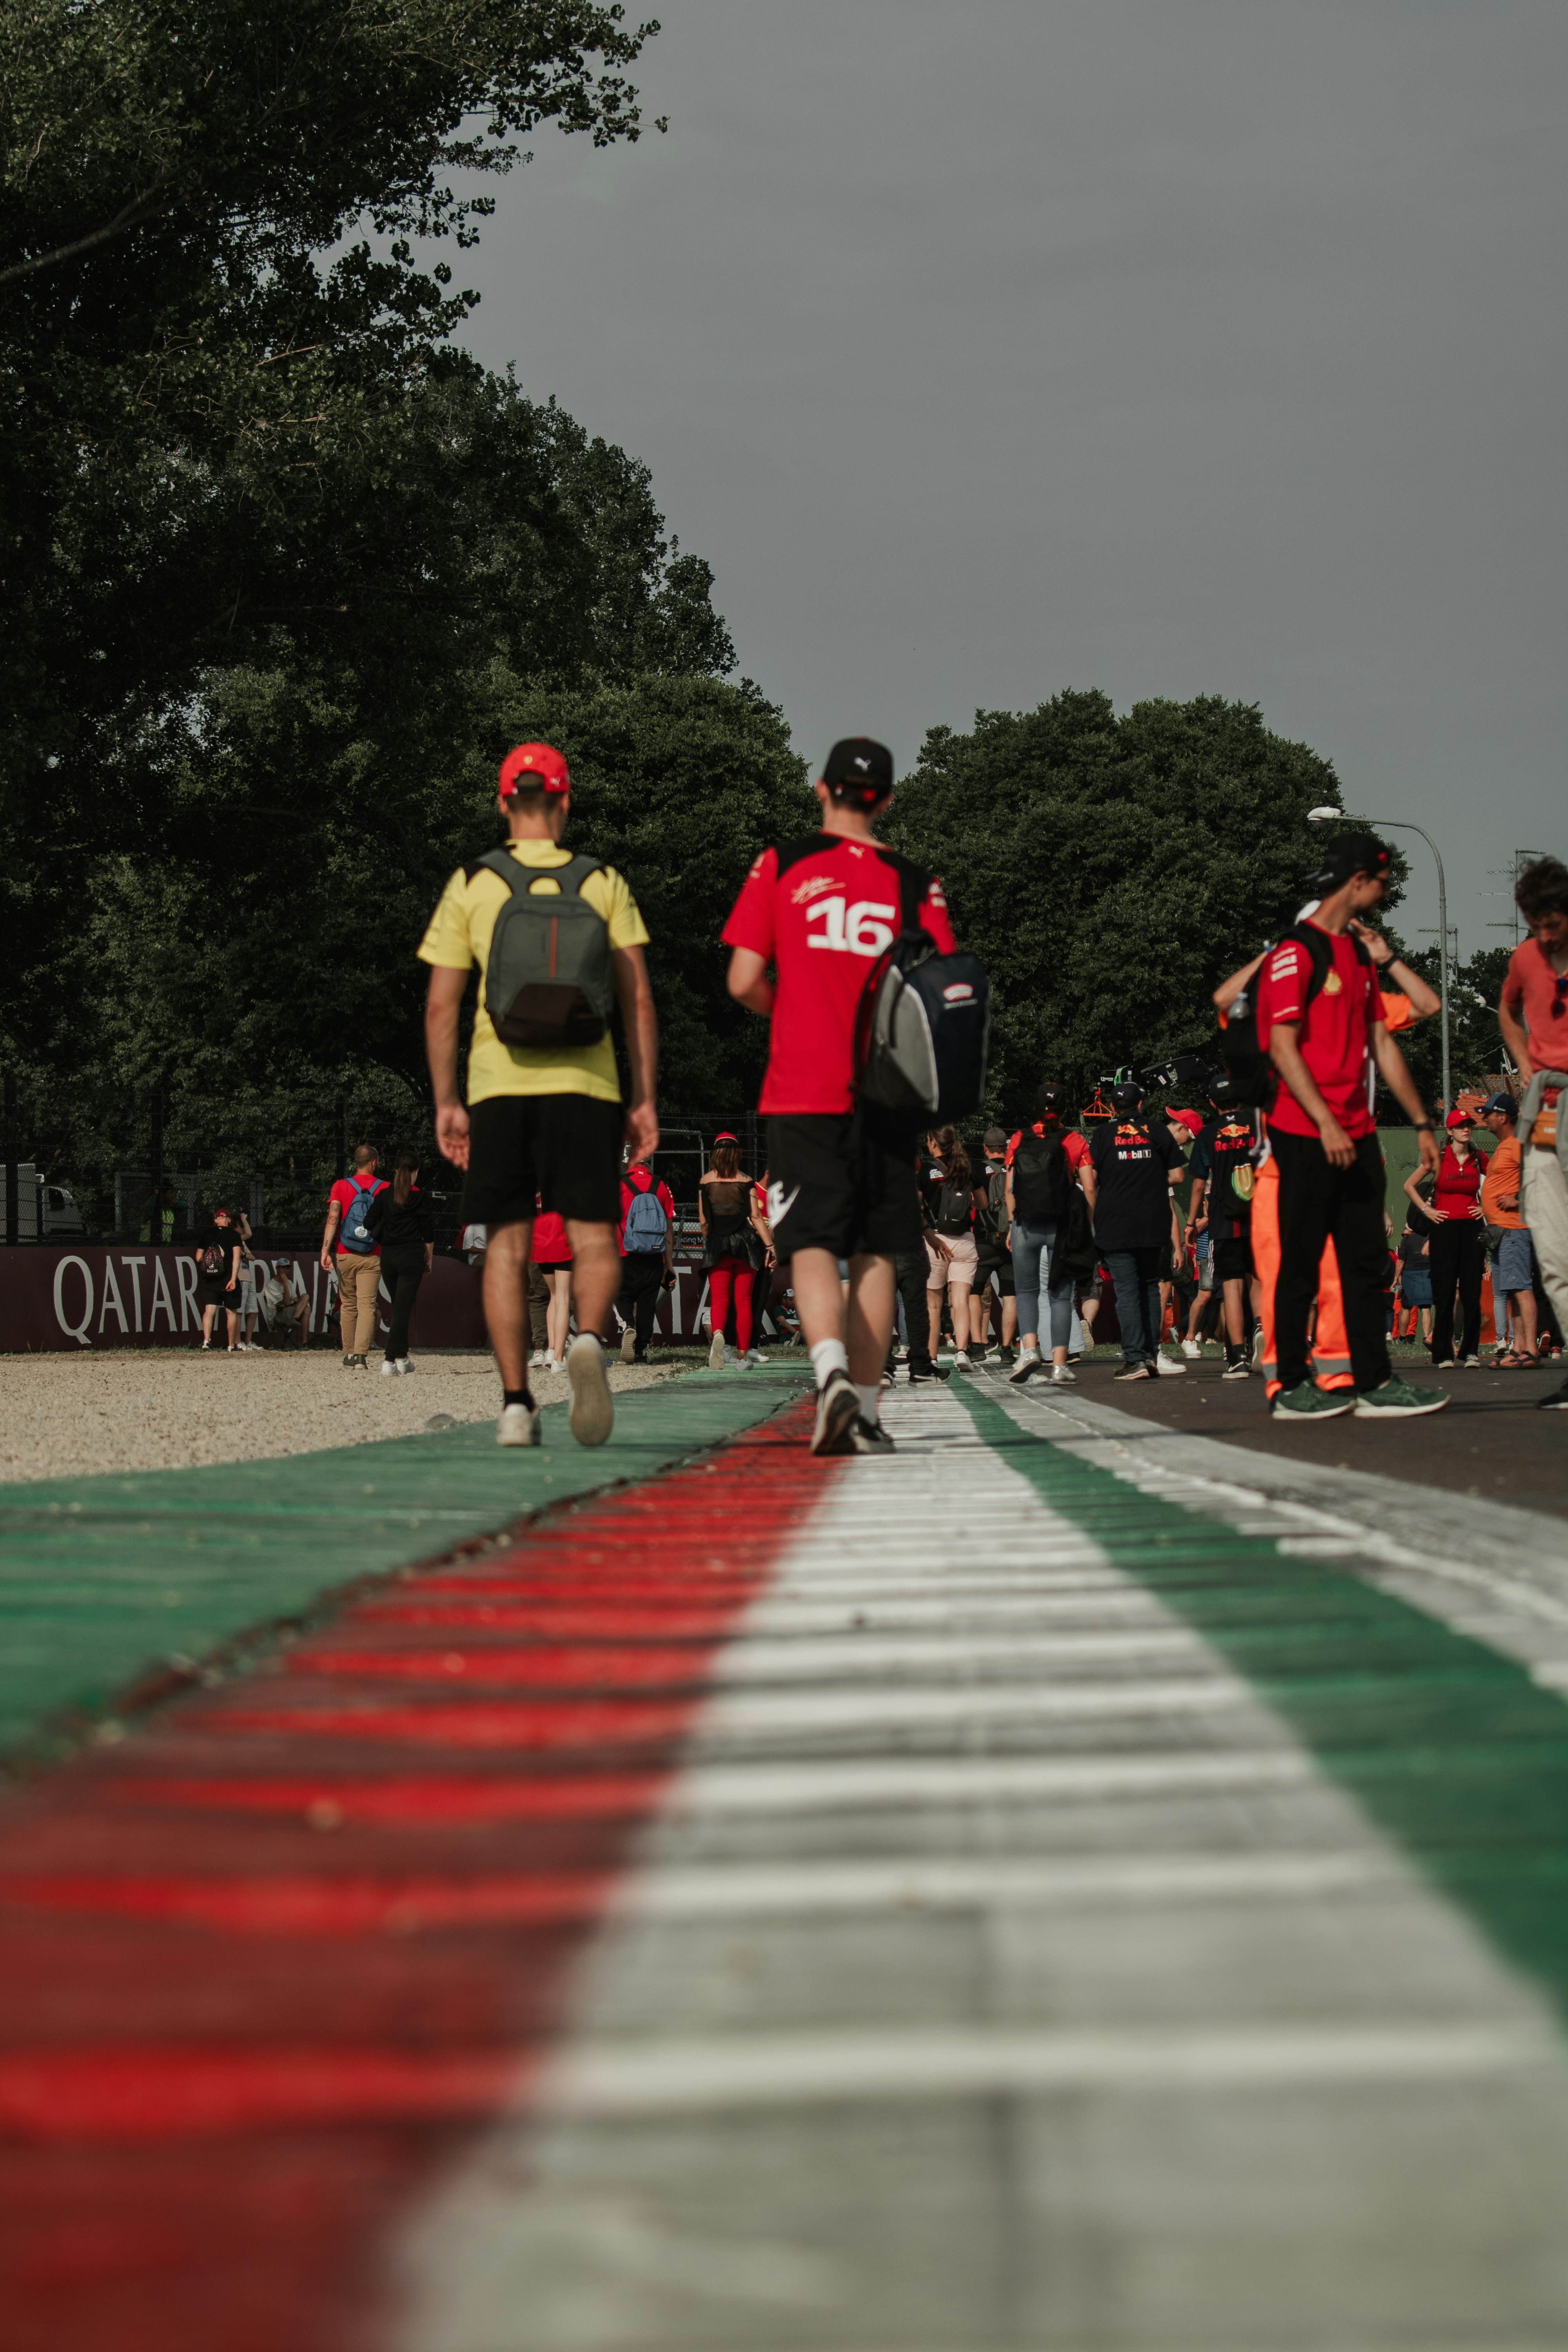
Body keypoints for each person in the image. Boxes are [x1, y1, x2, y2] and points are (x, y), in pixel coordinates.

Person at [420, 740, 659, 1448]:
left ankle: (518, 1404)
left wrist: (447, 1100)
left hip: (502, 1084)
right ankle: (586, 1338)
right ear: (565, 801)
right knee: (593, 1236)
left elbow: (442, 1006)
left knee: (507, 1247)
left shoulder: (474, 882)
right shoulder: (602, 881)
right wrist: (642, 1097)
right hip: (587, 1085)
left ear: (503, 802)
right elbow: (638, 998)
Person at [723, 735, 957, 1454]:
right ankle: (870, 1408)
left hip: (802, 1084)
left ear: (822, 791)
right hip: (887, 1090)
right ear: (885, 799)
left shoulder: (782, 864)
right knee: (881, 1250)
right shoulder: (915, 882)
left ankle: (830, 1379)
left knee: (814, 1242)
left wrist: (789, 1007)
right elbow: (944, 993)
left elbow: (741, 981)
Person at [1256, 834, 1446, 1421]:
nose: (1385, 894)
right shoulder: (1296, 951)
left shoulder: (1357, 955)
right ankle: (1290, 1386)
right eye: (1383, 883)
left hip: (1357, 1131)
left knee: (1369, 1261)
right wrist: (1323, 1123)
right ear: (1358, 881)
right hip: (1306, 1131)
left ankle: (1374, 1382)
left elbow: (1381, 1043)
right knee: (1302, 1260)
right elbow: (1283, 1048)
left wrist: (1419, 1121)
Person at [1498, 856, 1568, 1411]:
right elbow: (1507, 1008)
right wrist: (1523, 1062)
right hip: (1545, 1107)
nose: (1544, 935)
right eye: (1536, 924)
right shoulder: (1526, 957)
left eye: (1553, 923)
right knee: (1551, 1251)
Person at [1084, 1081, 1185, 1381]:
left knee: (1127, 1291)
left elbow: (1092, 1179)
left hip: (1116, 1222)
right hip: (1153, 1221)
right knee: (1150, 1287)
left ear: (1113, 1108)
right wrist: (1151, 1180)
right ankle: (1152, 1355)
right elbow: (1178, 1175)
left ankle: (1135, 1359)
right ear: (1141, 1105)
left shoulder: (1103, 1135)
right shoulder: (1158, 1131)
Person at [1007, 1085, 1091, 1385]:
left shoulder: (1019, 1138)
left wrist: (1011, 1221)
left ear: (1035, 1109)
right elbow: (1090, 1188)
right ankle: (1059, 1365)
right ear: (1066, 1111)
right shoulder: (1074, 1139)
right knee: (1060, 1297)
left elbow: (1010, 1186)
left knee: (1027, 1291)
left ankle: (1029, 1350)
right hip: (1062, 1226)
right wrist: (1088, 1225)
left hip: (1025, 1225)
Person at [1186, 1078, 1263, 1379]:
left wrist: (1192, 1223)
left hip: (1225, 1219)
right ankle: (1260, 1327)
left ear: (1213, 1103)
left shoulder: (1208, 1134)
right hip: (1259, 1215)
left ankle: (1238, 1357)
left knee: (1231, 1283)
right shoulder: (1258, 1125)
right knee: (1259, 1276)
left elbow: (1197, 1184)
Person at [1417, 1107, 1487, 1368]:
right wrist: (1427, 1209)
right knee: (1444, 1293)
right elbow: (1408, 1186)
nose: (1466, 1129)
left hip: (1472, 1229)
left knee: (1471, 1293)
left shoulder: (1479, 1157)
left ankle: (1470, 1352)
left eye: (1469, 1125)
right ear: (1449, 1131)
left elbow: (1497, 1183)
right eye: (1460, 1126)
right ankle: (1443, 1352)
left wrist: (1486, 1207)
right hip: (1444, 1229)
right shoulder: (1438, 1156)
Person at [1475, 1091, 1536, 1366]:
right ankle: (1518, 1349)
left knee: (1521, 1289)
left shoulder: (1517, 1144)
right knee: (1511, 1290)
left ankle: (1531, 1351)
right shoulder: (1504, 1146)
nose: (1484, 1118)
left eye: (1488, 1114)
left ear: (1503, 1117)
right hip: (1500, 1231)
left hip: (1514, 1229)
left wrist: (1518, 1198)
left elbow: (1541, 1176)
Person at [699, 1132, 769, 1369]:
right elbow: (756, 1217)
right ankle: (742, 1358)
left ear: (715, 1154)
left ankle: (719, 1334)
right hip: (746, 1246)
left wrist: (714, 1241)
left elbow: (703, 1222)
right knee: (744, 1302)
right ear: (738, 1154)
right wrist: (770, 1246)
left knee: (719, 1299)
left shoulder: (706, 1181)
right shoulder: (747, 1180)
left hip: (718, 1246)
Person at [365, 1152, 436, 1374]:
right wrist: (429, 1258)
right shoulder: (421, 1196)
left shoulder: (385, 1195)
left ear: (395, 1171)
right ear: (416, 1172)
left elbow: (368, 1222)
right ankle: (388, 1361)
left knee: (399, 1307)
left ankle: (403, 1358)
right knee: (402, 1311)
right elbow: (429, 1232)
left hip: (388, 1257)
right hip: (411, 1257)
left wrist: (385, 1235)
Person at [322, 1145, 387, 1370]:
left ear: (356, 1163)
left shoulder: (341, 1186)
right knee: (367, 1305)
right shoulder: (385, 1188)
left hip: (345, 1252)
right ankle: (361, 1355)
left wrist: (325, 1250)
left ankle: (348, 1354)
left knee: (348, 1304)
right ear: (374, 1163)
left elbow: (333, 1218)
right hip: (373, 1254)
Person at [923, 1126, 979, 1368]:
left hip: (935, 1241)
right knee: (961, 1302)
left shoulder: (927, 1171)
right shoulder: (966, 1170)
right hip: (965, 1240)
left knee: (934, 1305)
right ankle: (962, 1352)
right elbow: (984, 1204)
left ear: (934, 1144)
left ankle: (932, 1359)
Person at [617, 1152, 675, 1365]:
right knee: (647, 1303)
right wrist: (668, 1265)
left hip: (625, 1253)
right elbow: (669, 1229)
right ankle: (641, 1351)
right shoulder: (661, 1186)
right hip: (654, 1254)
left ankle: (627, 1326)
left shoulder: (619, 1185)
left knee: (620, 1295)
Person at [973, 1128, 1018, 1365]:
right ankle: (1007, 1348)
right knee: (1011, 1295)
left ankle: (978, 1345)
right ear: (1006, 1147)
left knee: (974, 1292)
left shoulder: (978, 1169)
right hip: (1010, 1239)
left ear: (985, 1147)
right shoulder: (1014, 1168)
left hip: (983, 1239)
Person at [530, 1200, 573, 1368]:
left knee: (554, 1296)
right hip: (562, 1242)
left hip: (542, 1244)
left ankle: (550, 1350)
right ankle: (559, 1358)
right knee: (563, 1299)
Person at [194, 1206, 243, 1352]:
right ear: (228, 1220)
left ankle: (207, 1341)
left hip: (211, 1279)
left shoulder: (207, 1234)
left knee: (210, 1309)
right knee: (231, 1311)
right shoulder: (234, 1235)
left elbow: (198, 1258)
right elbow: (237, 1257)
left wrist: (211, 1262)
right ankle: (231, 1345)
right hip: (227, 1278)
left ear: (216, 1220)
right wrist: (234, 1279)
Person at [1394, 1216, 1434, 1347]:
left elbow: (1401, 1261)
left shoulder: (1407, 1240)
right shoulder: (1430, 1238)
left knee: (1406, 1308)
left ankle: (1402, 1338)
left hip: (1410, 1275)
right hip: (1427, 1273)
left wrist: (1396, 1278)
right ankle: (1426, 1337)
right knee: (1426, 1308)